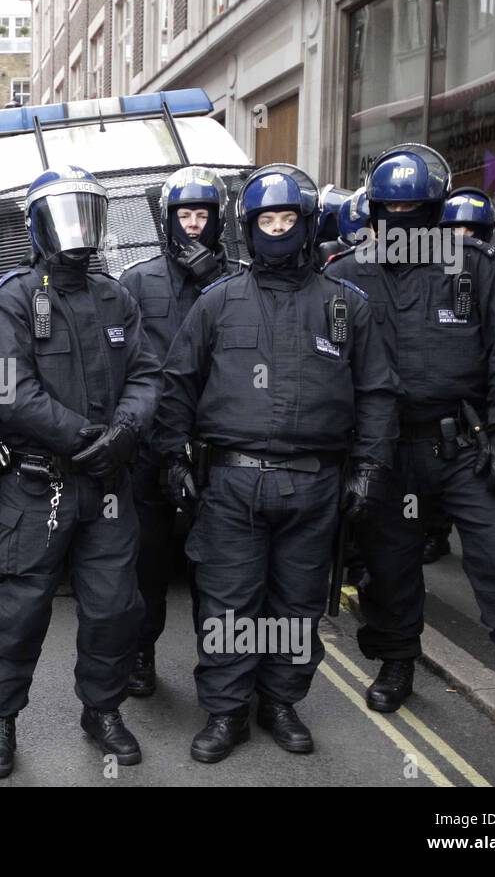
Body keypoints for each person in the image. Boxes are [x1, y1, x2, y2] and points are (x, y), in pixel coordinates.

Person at [326, 143, 495, 741]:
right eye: (391, 208)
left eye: (414, 208)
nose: (402, 219)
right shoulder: (345, 273)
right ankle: (396, 661)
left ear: (436, 208)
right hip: (383, 448)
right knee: (389, 567)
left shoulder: (475, 267)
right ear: (375, 210)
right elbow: (325, 368)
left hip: (461, 441)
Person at [157, 164, 398, 763]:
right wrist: (171, 457)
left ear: (309, 225)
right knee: (229, 602)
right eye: (268, 219)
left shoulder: (346, 307)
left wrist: (369, 468)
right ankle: (226, 711)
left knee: (296, 602)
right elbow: (177, 384)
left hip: (315, 483)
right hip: (232, 481)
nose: (279, 229)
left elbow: (376, 394)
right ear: (249, 227)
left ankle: (281, 702)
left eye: (289, 218)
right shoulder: (217, 303)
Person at [0, 165, 160, 778]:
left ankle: (101, 710)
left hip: (105, 486)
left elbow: (147, 375)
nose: (79, 230)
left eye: (88, 213)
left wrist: (125, 432)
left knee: (113, 607)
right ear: (37, 226)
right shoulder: (13, 297)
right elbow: (10, 389)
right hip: (38, 482)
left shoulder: (117, 297)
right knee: (21, 609)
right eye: (64, 215)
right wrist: (86, 438)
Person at [118, 165, 237, 698]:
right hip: (150, 444)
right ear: (168, 220)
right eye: (184, 215)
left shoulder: (238, 279)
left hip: (216, 444)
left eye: (202, 216)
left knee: (220, 566)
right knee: (147, 561)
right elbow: (117, 360)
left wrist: (212, 278)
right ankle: (140, 653)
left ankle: (222, 673)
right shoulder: (138, 280)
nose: (193, 226)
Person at [421, 187, 495, 564]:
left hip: (475, 418)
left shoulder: (490, 269)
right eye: (454, 231)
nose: (462, 239)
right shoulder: (422, 272)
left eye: (471, 231)